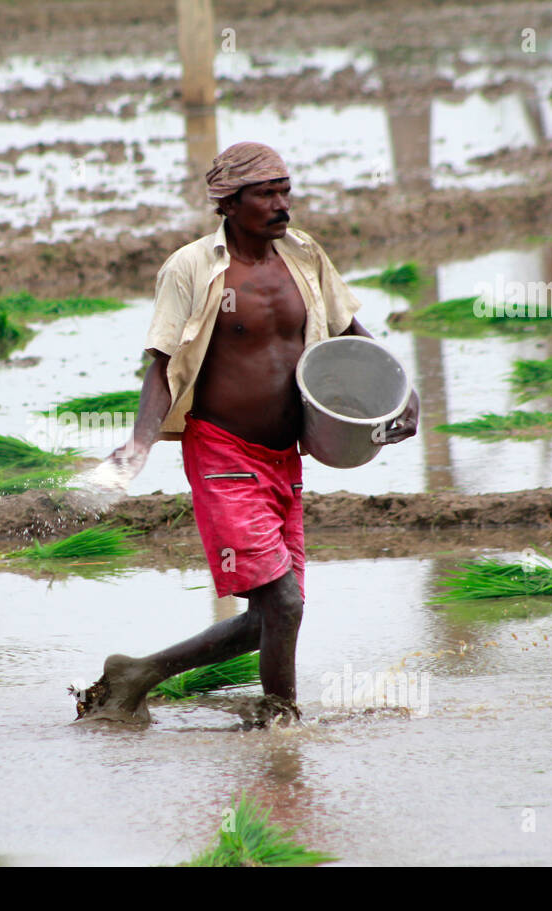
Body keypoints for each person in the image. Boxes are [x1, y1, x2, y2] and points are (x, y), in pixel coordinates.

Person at [74, 142, 419, 725]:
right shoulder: (191, 269)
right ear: (229, 203)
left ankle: (137, 675)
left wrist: (402, 391)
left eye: (286, 189)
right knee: (282, 603)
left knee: (279, 614)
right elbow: (161, 365)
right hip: (222, 454)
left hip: (284, 456)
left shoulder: (305, 254)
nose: (282, 203)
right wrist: (137, 447)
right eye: (267, 193)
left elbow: (349, 332)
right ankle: (279, 720)